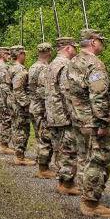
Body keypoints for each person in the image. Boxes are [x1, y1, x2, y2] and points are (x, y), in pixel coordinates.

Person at [65, 29, 110, 217]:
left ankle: (85, 197)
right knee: (98, 160)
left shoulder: (73, 62)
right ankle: (90, 202)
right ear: (93, 42)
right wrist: (103, 122)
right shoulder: (94, 65)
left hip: (78, 119)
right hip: (93, 122)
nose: (102, 44)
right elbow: (99, 95)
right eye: (101, 41)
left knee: (83, 158)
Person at [45, 36, 81, 195]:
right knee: (68, 149)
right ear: (67, 48)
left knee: (59, 148)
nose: (76, 50)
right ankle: (66, 184)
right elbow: (68, 92)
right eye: (74, 47)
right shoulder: (65, 65)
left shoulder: (52, 64)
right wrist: (76, 114)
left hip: (53, 113)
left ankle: (63, 180)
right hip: (64, 115)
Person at [29, 42, 54, 178]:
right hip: (42, 107)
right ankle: (43, 168)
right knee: (45, 137)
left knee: (40, 136)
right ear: (48, 53)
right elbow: (44, 91)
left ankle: (42, 164)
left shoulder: (33, 67)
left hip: (34, 105)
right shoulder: (44, 69)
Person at [9, 45, 36, 165]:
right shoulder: (20, 70)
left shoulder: (11, 68)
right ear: (20, 54)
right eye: (24, 54)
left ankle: (18, 154)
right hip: (19, 104)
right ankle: (19, 157)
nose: (25, 56)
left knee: (17, 127)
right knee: (21, 129)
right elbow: (18, 88)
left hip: (13, 102)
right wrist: (26, 103)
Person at [0, 47, 15, 154]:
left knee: (3, 119)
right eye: (7, 53)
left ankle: (3, 143)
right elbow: (4, 85)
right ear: (2, 54)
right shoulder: (2, 67)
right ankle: (4, 145)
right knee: (6, 120)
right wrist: (10, 98)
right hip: (3, 97)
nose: (9, 56)